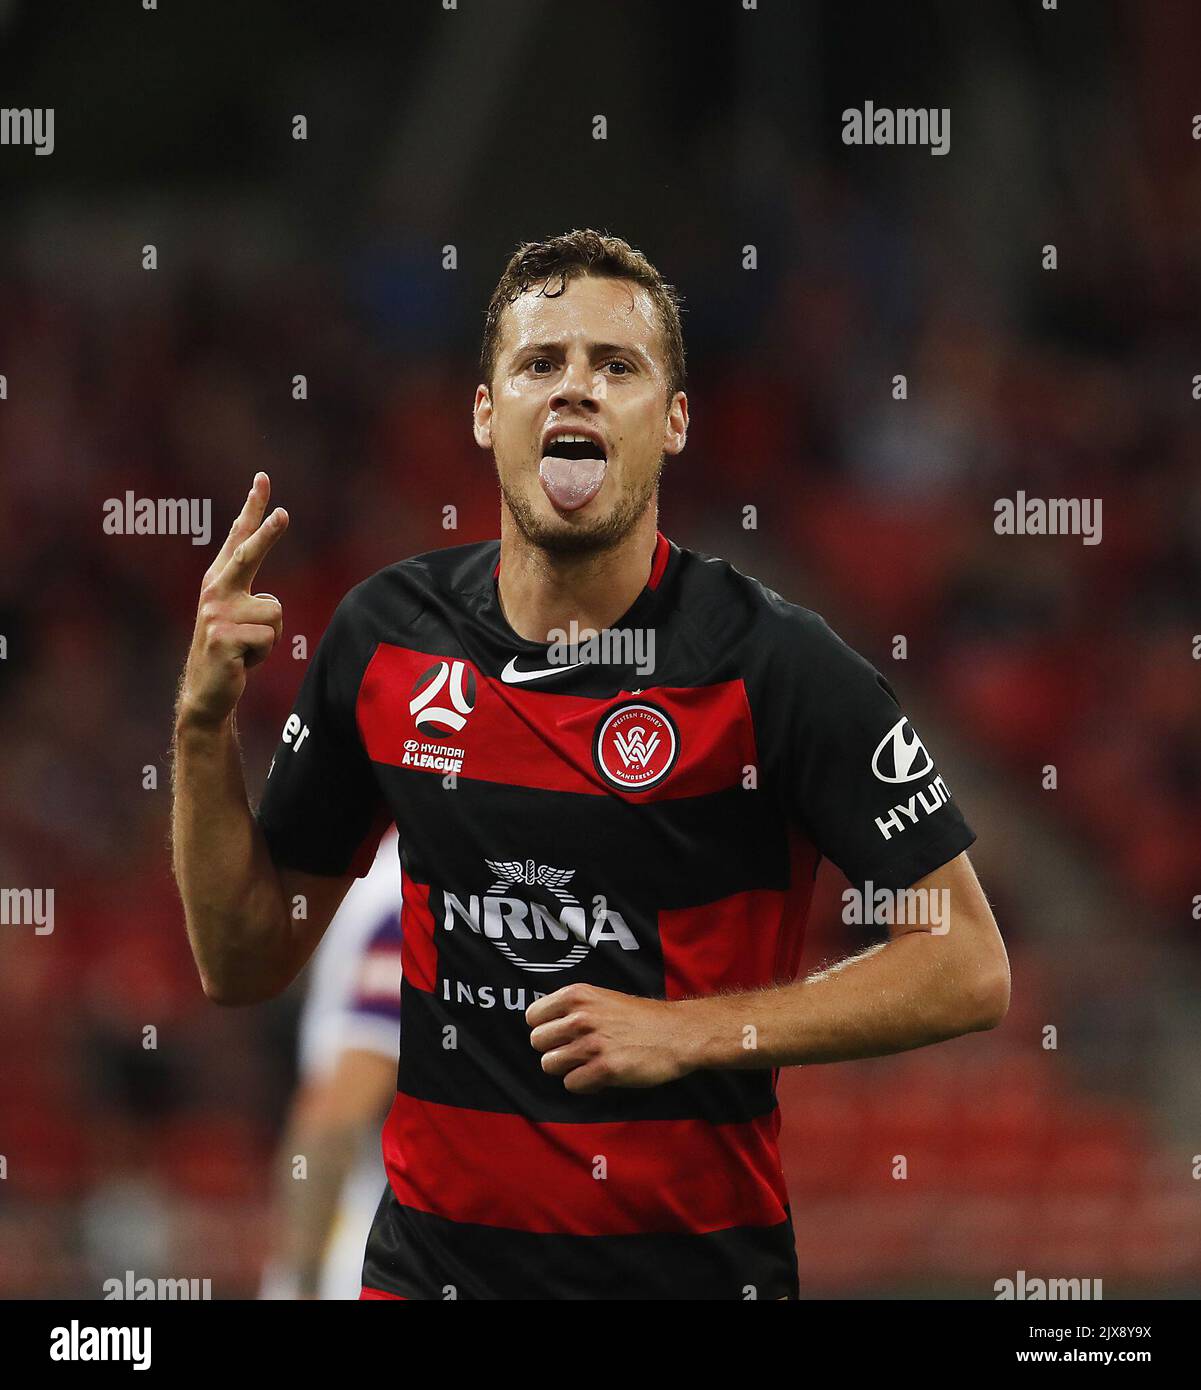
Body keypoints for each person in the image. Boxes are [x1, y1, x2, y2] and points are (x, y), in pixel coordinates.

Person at [171, 228, 1010, 1300]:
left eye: (615, 367)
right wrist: (201, 730)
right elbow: (241, 961)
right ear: (486, 413)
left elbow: (966, 964)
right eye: (539, 364)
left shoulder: (779, 669)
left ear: (672, 422)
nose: (575, 390)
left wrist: (694, 1029)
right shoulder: (384, 640)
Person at [259, 828, 401, 1301]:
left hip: (374, 1249)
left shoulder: (402, 883)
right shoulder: (408, 885)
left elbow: (336, 1112)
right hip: (372, 1252)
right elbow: (340, 1111)